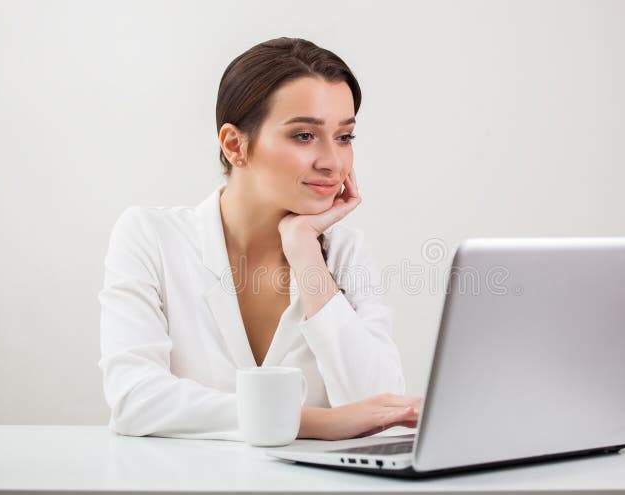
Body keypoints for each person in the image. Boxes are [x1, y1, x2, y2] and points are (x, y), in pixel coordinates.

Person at [98, 37, 421, 442]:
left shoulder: (343, 252)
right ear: (235, 145)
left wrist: (306, 254)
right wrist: (316, 423)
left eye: (344, 137)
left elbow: (377, 406)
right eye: (304, 135)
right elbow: (135, 399)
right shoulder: (151, 237)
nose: (332, 162)